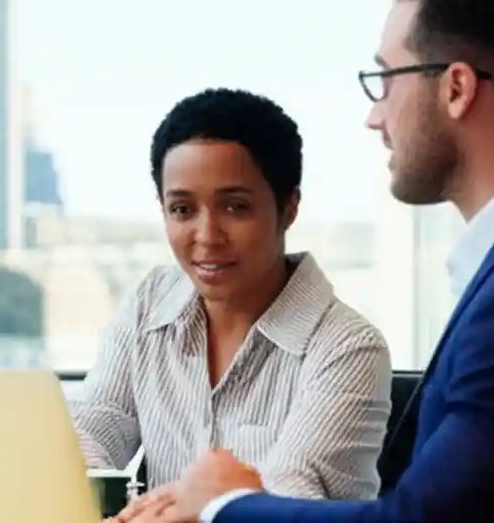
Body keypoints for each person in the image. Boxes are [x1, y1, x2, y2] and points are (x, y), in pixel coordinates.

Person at [116, 0, 494, 523]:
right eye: (182, 208)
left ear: (456, 88)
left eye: (387, 79)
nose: (374, 115)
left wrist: (223, 503)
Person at [73, 89, 391, 500]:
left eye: (235, 207)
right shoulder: (150, 304)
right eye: (182, 210)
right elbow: (96, 424)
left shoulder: (349, 348)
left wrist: (157, 510)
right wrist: (77, 477)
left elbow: (286, 498)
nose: (207, 237)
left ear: (289, 206)